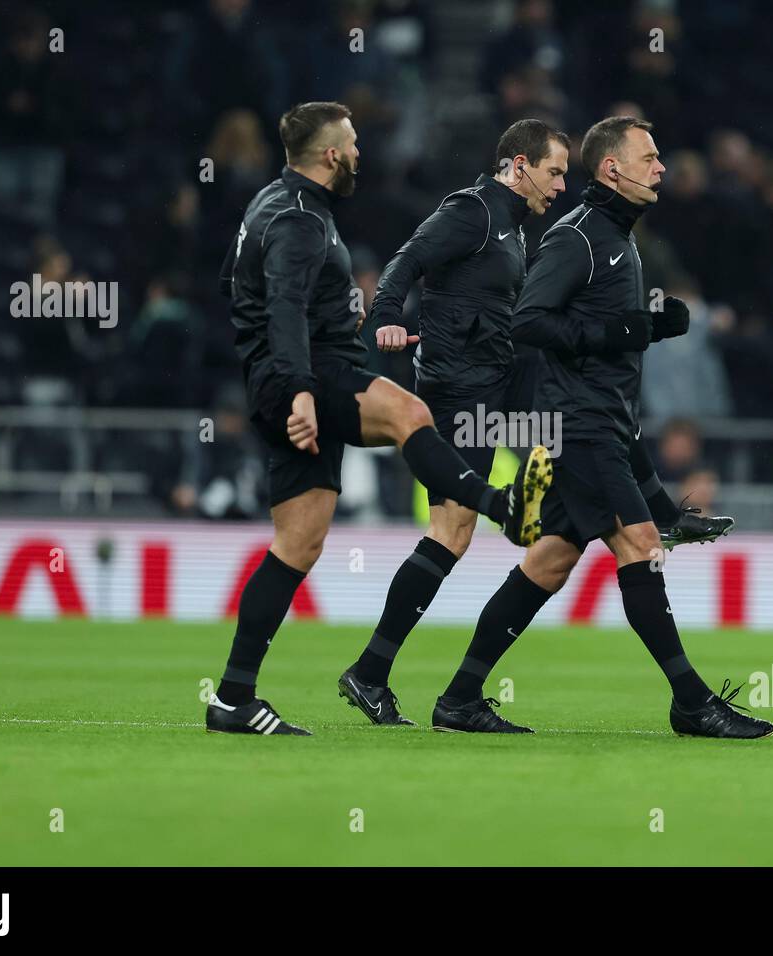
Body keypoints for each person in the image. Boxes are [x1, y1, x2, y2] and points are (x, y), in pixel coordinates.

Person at [204, 102, 552, 737]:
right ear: (332, 154)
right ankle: (499, 503)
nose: (361, 153)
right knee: (407, 412)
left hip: (289, 375)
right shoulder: (301, 219)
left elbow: (236, 286)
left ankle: (232, 697)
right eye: (354, 144)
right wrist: (299, 389)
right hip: (309, 375)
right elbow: (281, 305)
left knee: (299, 542)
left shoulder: (276, 206)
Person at [429, 116, 773, 739]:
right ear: (612, 168)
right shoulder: (579, 237)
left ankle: (459, 698)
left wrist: (647, 324)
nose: (661, 167)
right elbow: (528, 321)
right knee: (639, 547)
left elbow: (599, 345)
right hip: (576, 426)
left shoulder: (616, 239)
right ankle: (691, 703)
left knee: (550, 562)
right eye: (650, 156)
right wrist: (627, 330)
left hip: (597, 424)